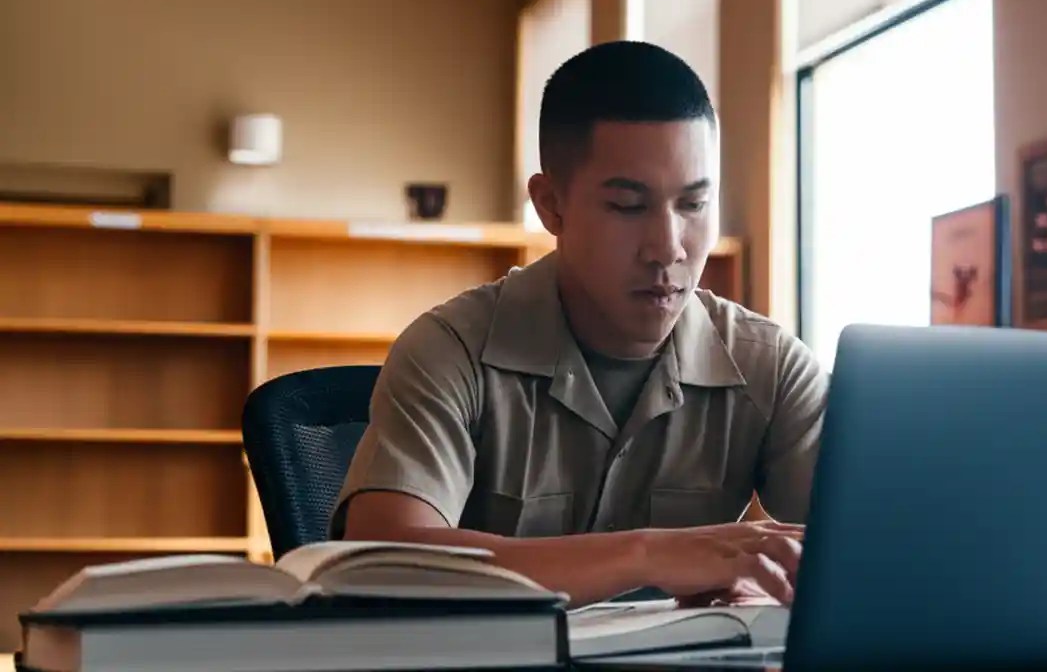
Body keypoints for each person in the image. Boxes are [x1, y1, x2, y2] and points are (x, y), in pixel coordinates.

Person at [332, 41, 828, 609]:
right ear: (551, 205)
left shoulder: (771, 365)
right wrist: (647, 555)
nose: (668, 248)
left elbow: (869, 554)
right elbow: (381, 563)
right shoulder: (451, 350)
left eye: (693, 205)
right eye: (627, 206)